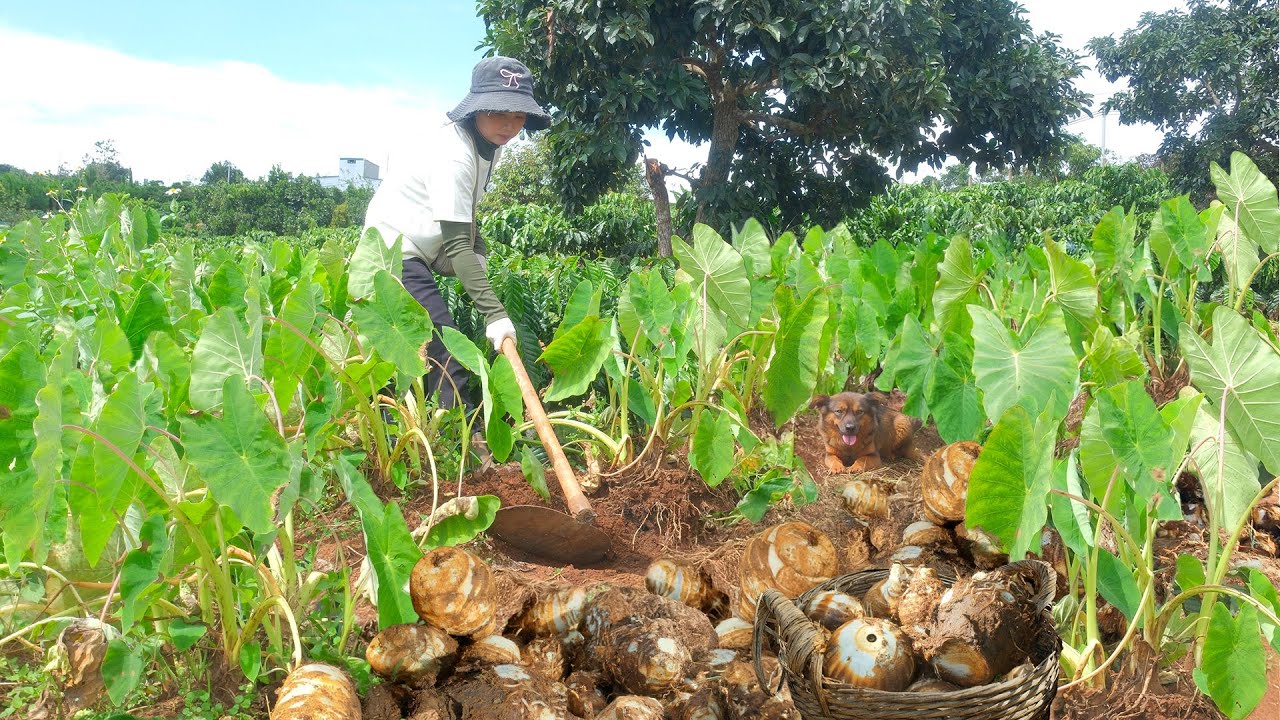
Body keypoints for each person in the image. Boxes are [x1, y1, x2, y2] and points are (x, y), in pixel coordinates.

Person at [363, 56, 551, 412]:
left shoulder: (488, 144)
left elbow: (468, 217)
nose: (510, 125)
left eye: (518, 115)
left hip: (423, 247)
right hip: (393, 249)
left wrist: (477, 254)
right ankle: (460, 442)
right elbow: (456, 243)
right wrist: (494, 314)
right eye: (499, 113)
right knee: (442, 351)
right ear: (477, 108)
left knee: (431, 342)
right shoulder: (454, 154)